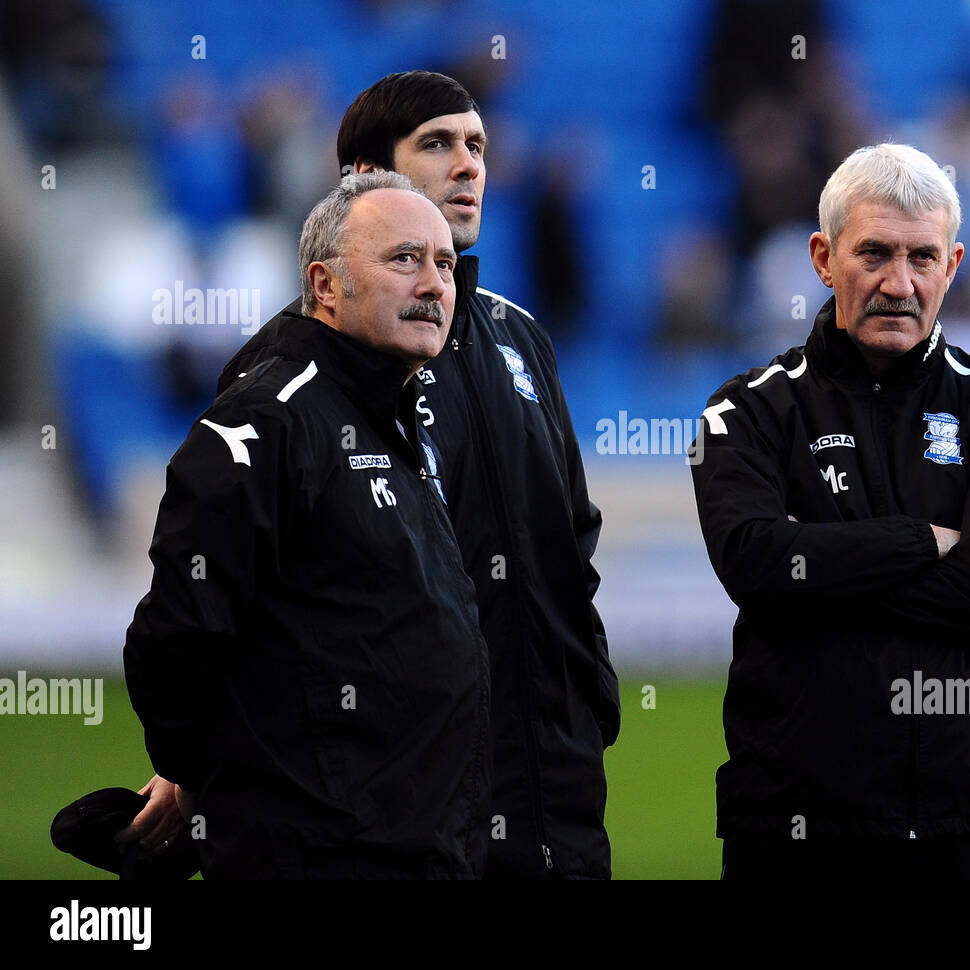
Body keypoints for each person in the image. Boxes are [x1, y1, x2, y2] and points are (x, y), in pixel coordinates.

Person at [118, 72, 620, 880]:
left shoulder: (521, 340)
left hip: (551, 787)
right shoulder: (294, 383)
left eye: (479, 146)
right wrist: (202, 762)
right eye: (438, 143)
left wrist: (586, 699)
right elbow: (218, 603)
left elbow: (572, 543)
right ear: (361, 177)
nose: (468, 166)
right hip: (403, 801)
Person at [690, 143, 970, 879]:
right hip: (796, 824)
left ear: (953, 265)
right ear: (823, 258)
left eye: (923, 258)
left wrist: (822, 562)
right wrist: (924, 541)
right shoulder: (746, 412)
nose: (900, 284)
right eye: (875, 254)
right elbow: (755, 563)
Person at [123, 171, 492, 878]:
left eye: (445, 264)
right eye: (404, 259)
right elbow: (175, 634)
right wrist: (199, 776)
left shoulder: (401, 423)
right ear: (325, 286)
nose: (434, 284)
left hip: (427, 851)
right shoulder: (265, 419)